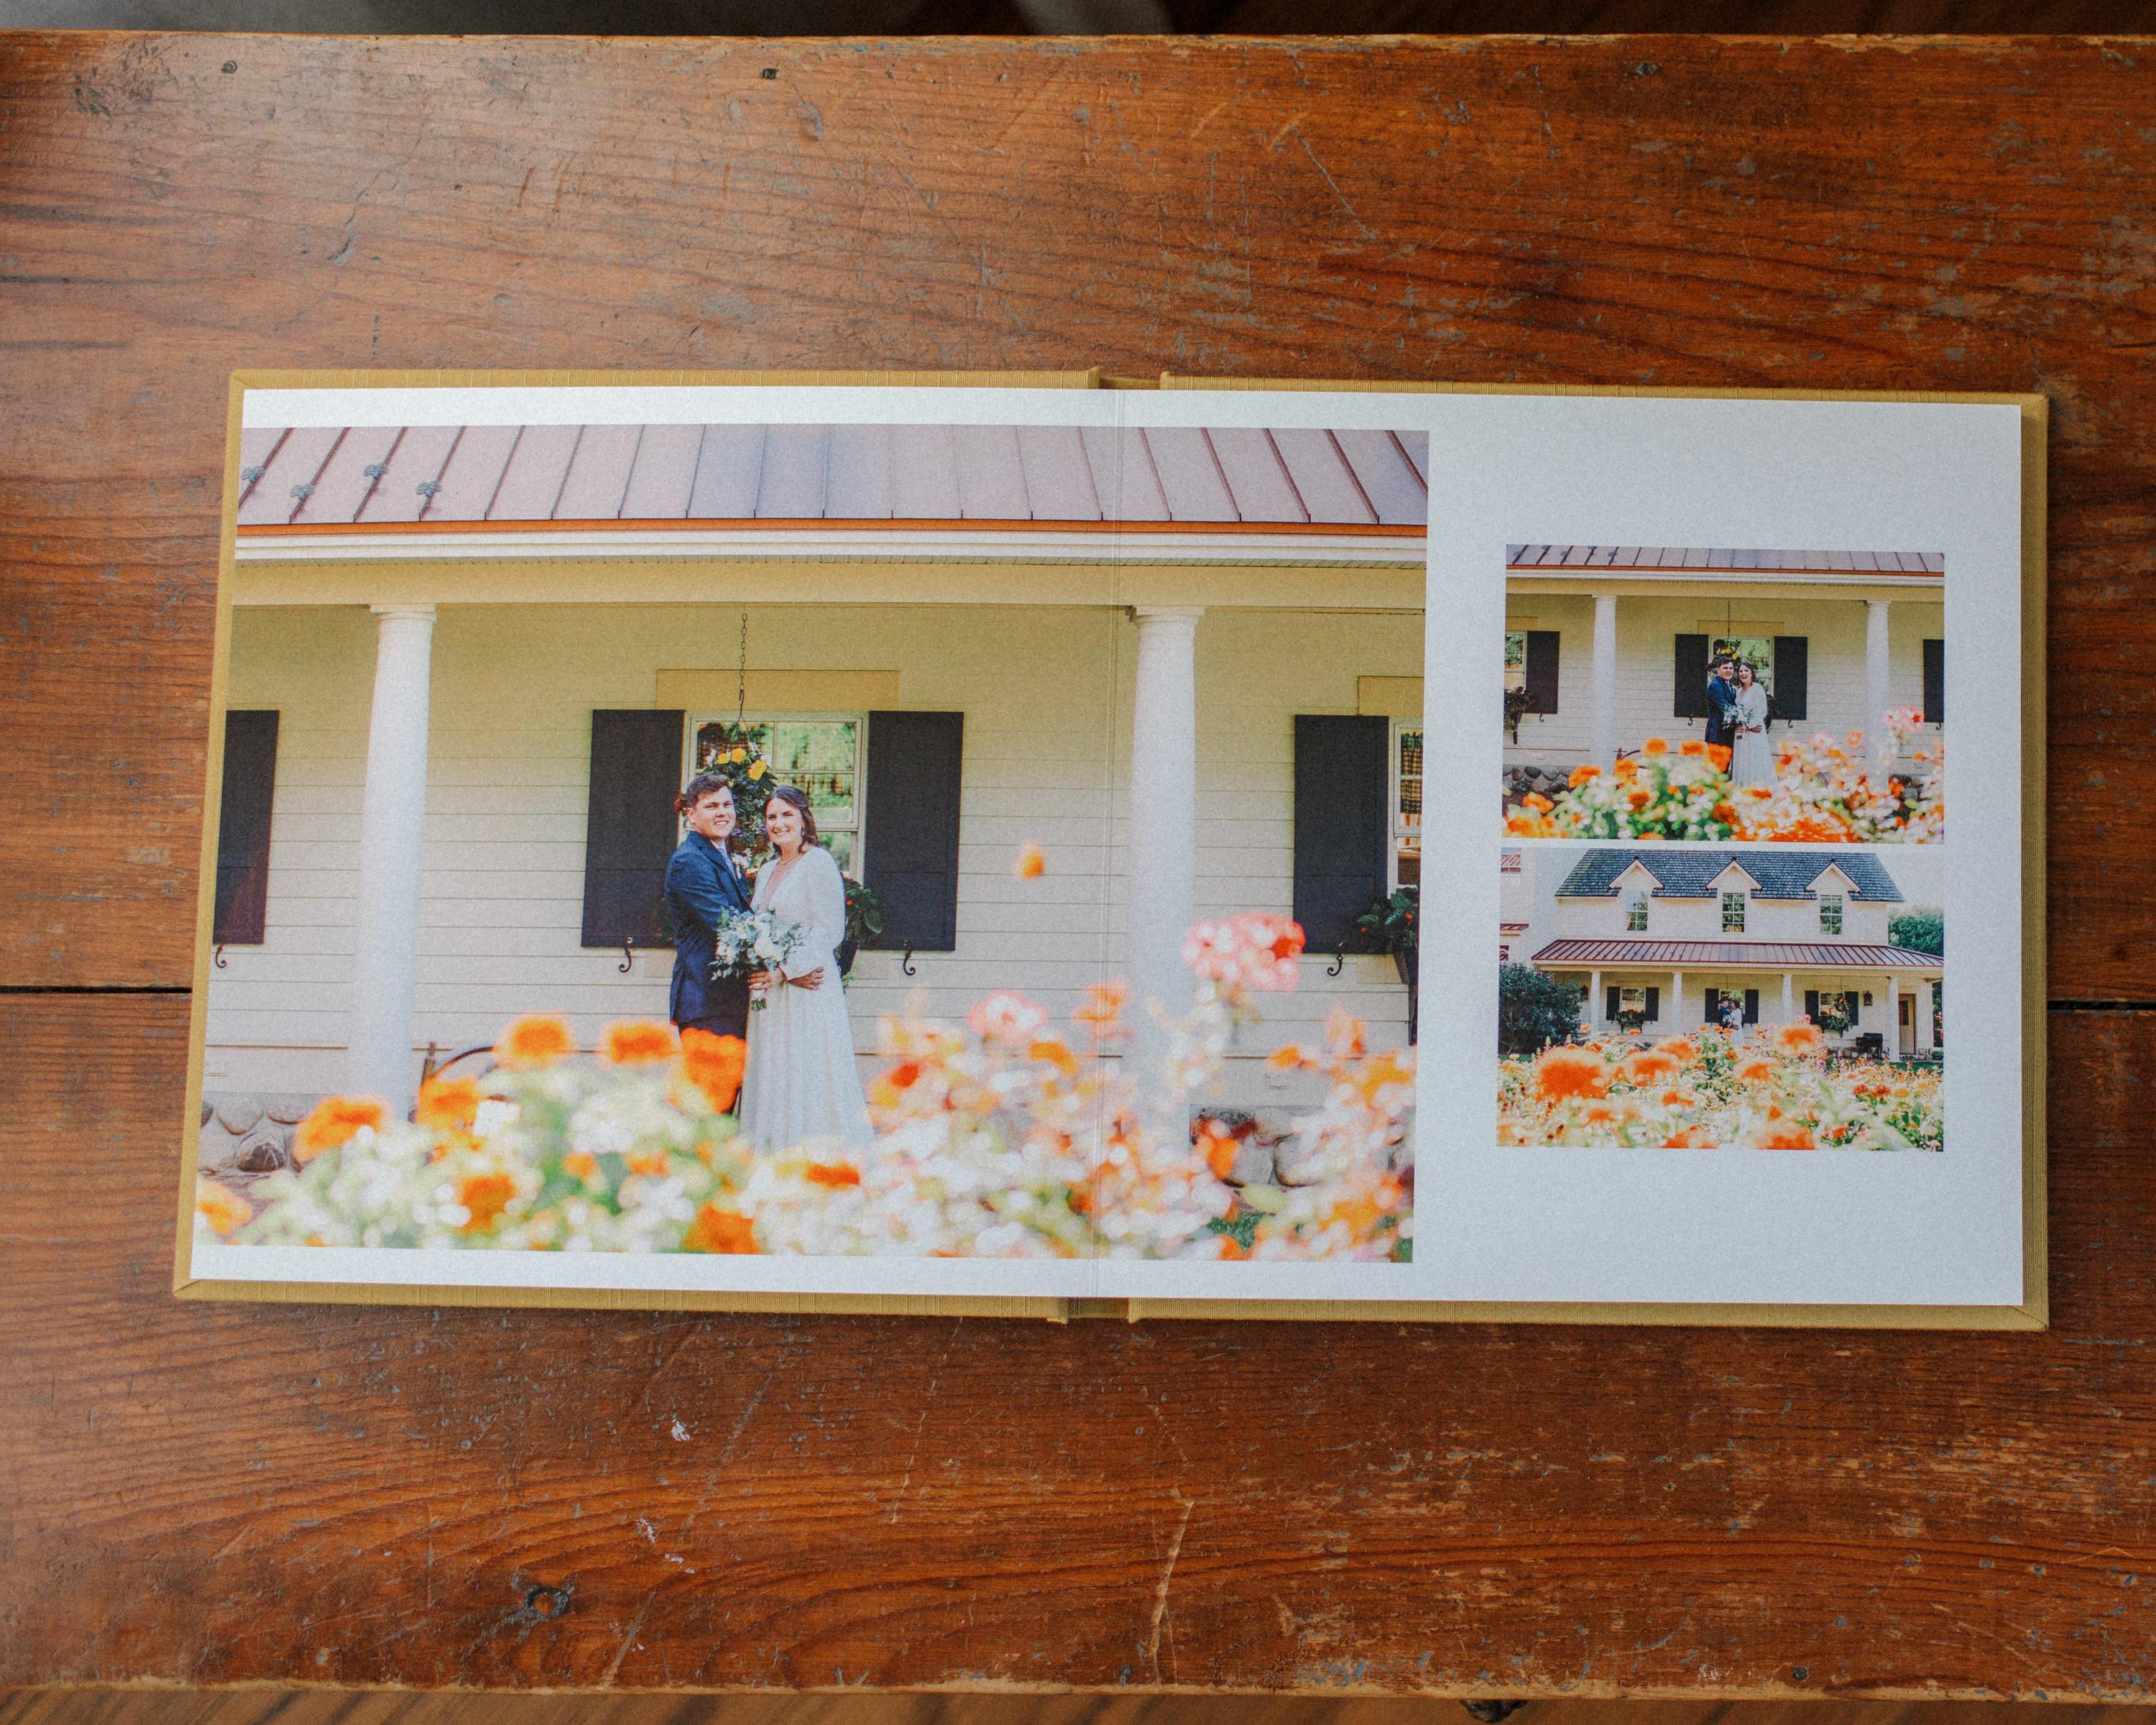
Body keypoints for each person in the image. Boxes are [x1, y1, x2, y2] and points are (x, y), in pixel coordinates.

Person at [738, 784, 875, 1154]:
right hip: (770, 991)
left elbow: (830, 928)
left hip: (807, 986)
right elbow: (757, 926)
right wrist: (761, 962)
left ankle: (815, 1157)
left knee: (807, 1070)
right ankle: (770, 1154)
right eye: (771, 817)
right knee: (774, 1070)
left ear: (803, 819)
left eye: (786, 814)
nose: (778, 823)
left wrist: (786, 970)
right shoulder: (767, 871)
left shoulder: (818, 863)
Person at [664, 772, 754, 1054]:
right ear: (691, 815)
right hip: (708, 1002)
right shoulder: (690, 861)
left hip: (727, 1001)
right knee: (712, 1097)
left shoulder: (719, 855)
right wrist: (787, 969)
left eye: (727, 805)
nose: (723, 813)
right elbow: (729, 926)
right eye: (711, 806)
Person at [1730, 658, 1773, 786]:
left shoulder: (1757, 688)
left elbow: (1762, 711)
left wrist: (1748, 726)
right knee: (1742, 759)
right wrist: (1737, 723)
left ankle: (1756, 788)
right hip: (1741, 733)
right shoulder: (1738, 691)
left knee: (1754, 760)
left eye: (1746, 671)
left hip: (1754, 732)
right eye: (1741, 671)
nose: (1743, 673)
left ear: (1752, 673)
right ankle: (1742, 787)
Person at [1703, 653, 1742, 750]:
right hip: (1718, 734)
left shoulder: (1729, 685)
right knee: (1718, 765)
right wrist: (1744, 720)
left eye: (1731, 668)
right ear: (1717, 669)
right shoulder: (1715, 686)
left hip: (1726, 734)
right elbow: (1726, 708)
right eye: (1725, 668)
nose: (1729, 671)